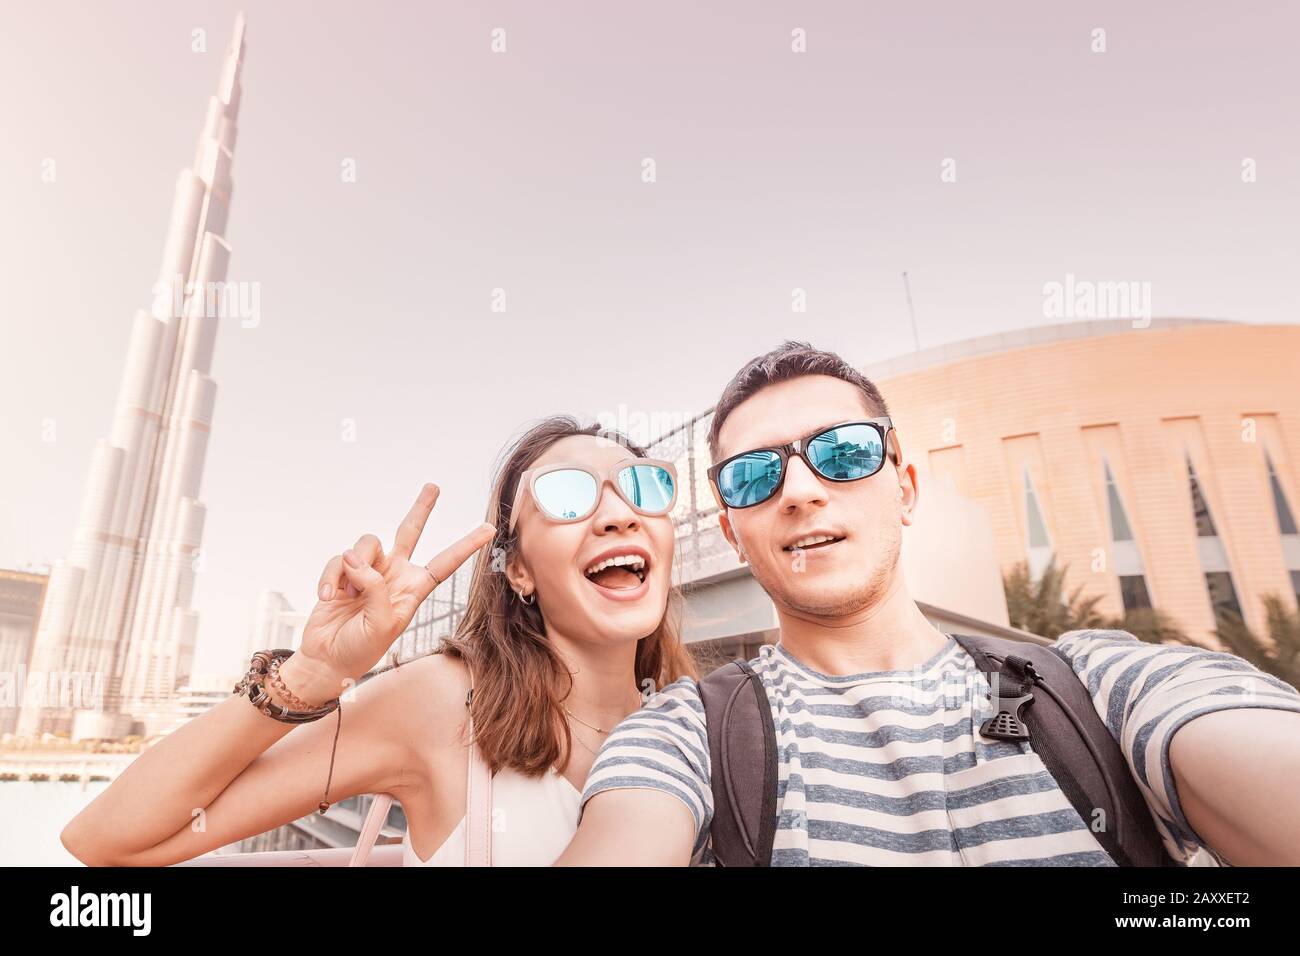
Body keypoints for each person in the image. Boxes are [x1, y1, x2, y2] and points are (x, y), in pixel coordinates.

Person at [558, 341, 1300, 866]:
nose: (802, 491)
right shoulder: (688, 734)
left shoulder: (1097, 688)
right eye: (754, 477)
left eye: (843, 453)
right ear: (733, 533)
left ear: (905, 488)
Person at [60, 416, 696, 867]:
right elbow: (108, 839)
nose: (618, 512)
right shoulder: (442, 703)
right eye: (566, 495)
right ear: (520, 571)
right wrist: (310, 675)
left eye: (641, 484)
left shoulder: (699, 717)